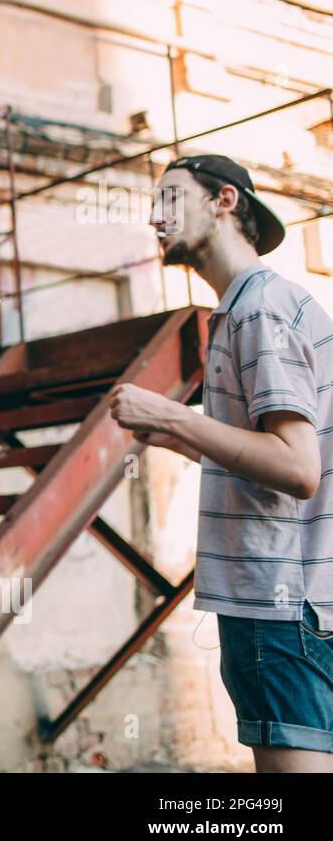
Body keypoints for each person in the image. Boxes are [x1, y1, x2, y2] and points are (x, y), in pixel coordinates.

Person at [110, 154, 333, 771]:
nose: (155, 218)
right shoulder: (257, 305)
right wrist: (181, 438)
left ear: (225, 201)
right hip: (304, 597)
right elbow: (277, 466)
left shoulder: (256, 309)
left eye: (170, 197)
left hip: (281, 604)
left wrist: (174, 416)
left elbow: (297, 468)